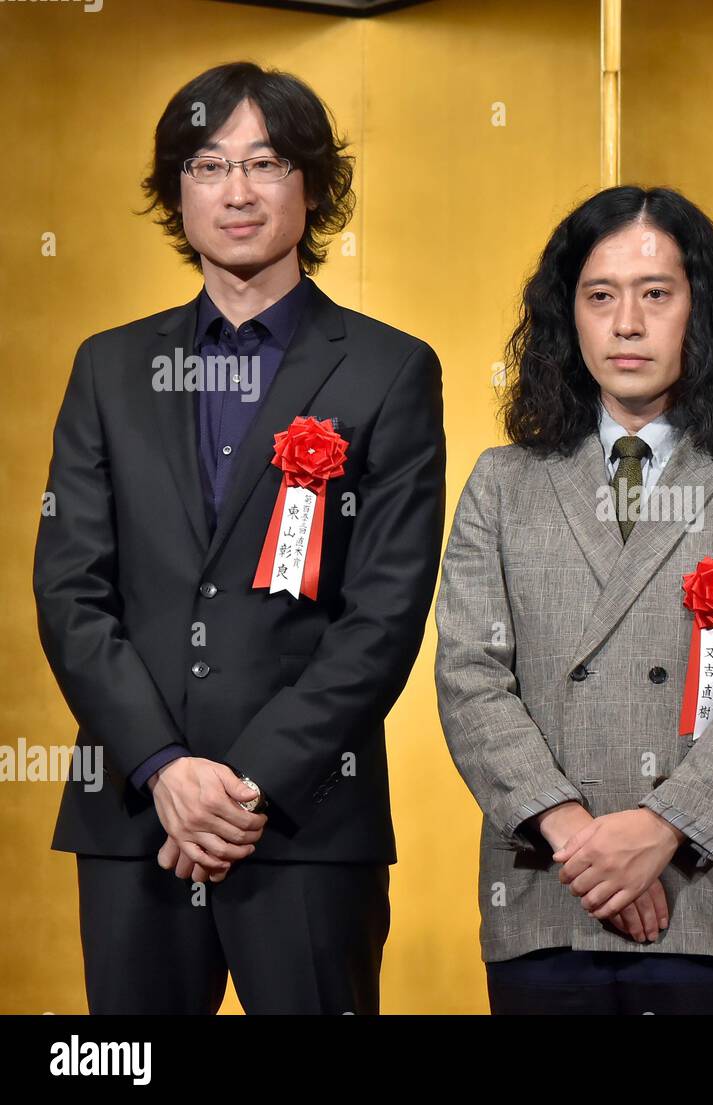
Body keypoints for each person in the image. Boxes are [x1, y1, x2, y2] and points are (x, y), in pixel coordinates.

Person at [33, 61, 445, 1014]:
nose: (238, 190)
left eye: (265, 162)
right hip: (136, 818)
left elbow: (382, 613)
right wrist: (164, 767)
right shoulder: (110, 367)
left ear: (312, 185)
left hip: (304, 821)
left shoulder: (388, 369)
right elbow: (72, 593)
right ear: (177, 191)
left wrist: (247, 784)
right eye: (210, 164)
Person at [435, 185, 713, 1015]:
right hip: (548, 897)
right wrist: (583, 841)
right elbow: (471, 678)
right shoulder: (503, 484)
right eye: (600, 296)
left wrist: (660, 831)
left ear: (703, 309)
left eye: (656, 295)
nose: (626, 324)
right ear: (566, 316)